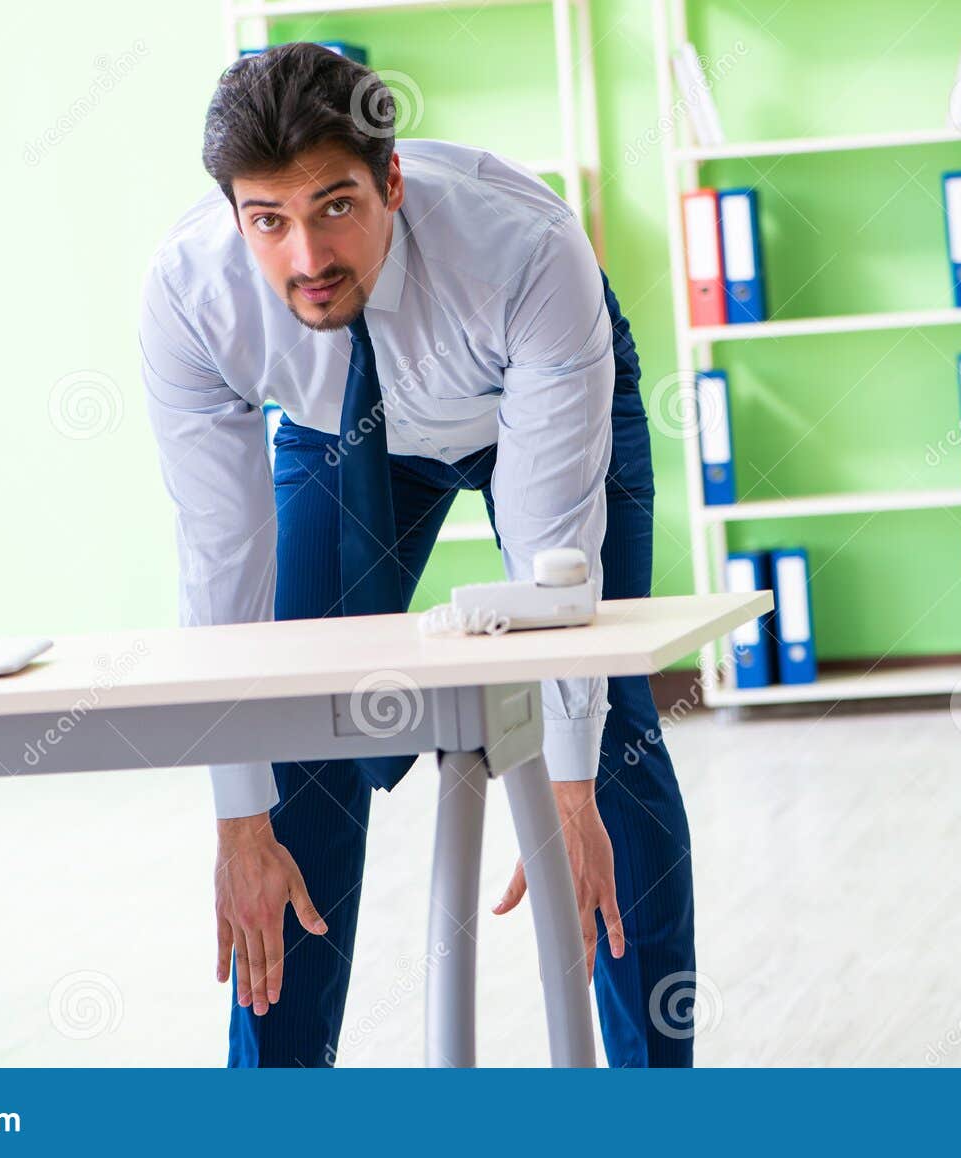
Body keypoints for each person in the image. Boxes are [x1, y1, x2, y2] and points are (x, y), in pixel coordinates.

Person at [140, 42, 695, 1067]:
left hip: (535, 401)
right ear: (232, 216)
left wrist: (566, 787)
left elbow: (553, 555)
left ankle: (653, 1100)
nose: (306, 256)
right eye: (268, 220)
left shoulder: (523, 245)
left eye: (335, 205)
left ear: (392, 180)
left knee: (603, 734)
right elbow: (221, 563)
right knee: (296, 727)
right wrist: (237, 824)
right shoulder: (190, 297)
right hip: (341, 438)